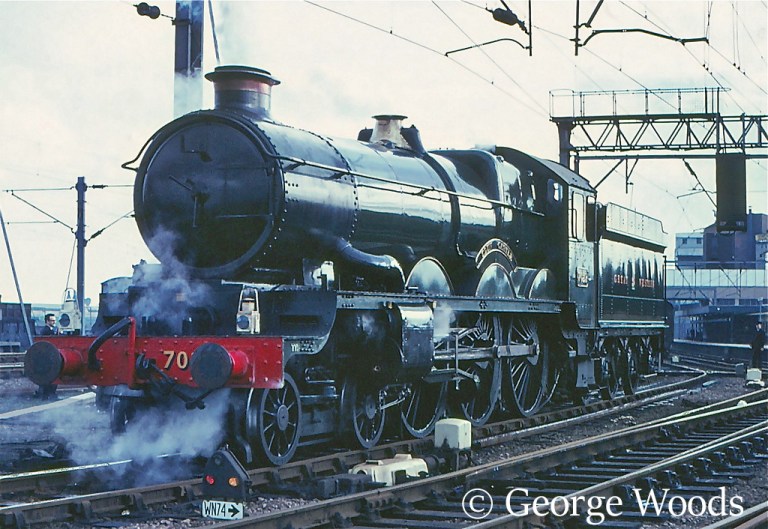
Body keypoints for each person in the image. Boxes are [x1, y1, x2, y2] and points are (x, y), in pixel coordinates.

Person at [35, 313, 59, 400]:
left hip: (49, 355)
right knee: (50, 376)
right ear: (47, 321)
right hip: (48, 356)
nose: (54, 322)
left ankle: (48, 395)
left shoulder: (51, 330)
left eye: (54, 321)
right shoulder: (46, 331)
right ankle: (48, 395)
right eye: (52, 320)